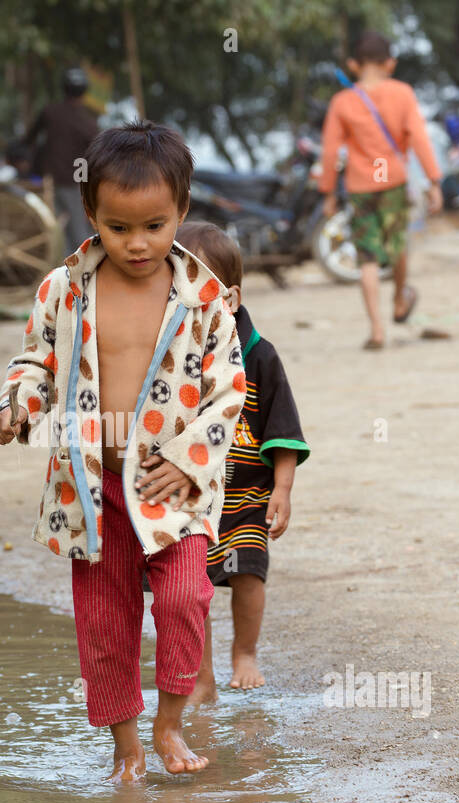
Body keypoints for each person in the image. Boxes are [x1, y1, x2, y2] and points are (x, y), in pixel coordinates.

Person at [0, 121, 246, 781]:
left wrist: (188, 461)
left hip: (173, 484)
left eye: (156, 226)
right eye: (119, 227)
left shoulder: (205, 300)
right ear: (91, 215)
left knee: (187, 596)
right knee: (106, 622)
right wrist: (17, 405)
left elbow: (228, 391)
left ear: (182, 212)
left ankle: (170, 722)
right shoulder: (63, 289)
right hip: (91, 481)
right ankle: (125, 746)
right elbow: (35, 362)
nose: (138, 244)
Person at [171, 222, 308, 701]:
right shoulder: (171, 359)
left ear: (228, 299)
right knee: (193, 590)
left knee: (249, 573)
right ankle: (201, 673)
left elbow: (283, 429)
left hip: (248, 496)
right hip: (189, 500)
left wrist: (283, 490)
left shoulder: (259, 356)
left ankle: (245, 652)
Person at [318, 30, 443, 350]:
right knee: (398, 245)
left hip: (361, 186)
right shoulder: (402, 93)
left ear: (353, 65)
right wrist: (433, 181)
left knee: (368, 258)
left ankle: (377, 330)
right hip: (394, 183)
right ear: (390, 63)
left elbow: (330, 152)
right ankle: (400, 301)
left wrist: (328, 193)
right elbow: (418, 138)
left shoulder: (342, 102)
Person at [24, 67, 101, 250]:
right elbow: (92, 158)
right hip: (74, 182)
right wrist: (83, 184)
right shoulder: (89, 123)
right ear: (84, 92)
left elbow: (29, 139)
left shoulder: (50, 112)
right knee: (77, 232)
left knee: (56, 229)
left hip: (48, 181)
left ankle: (63, 269)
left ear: (64, 88)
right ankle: (79, 270)